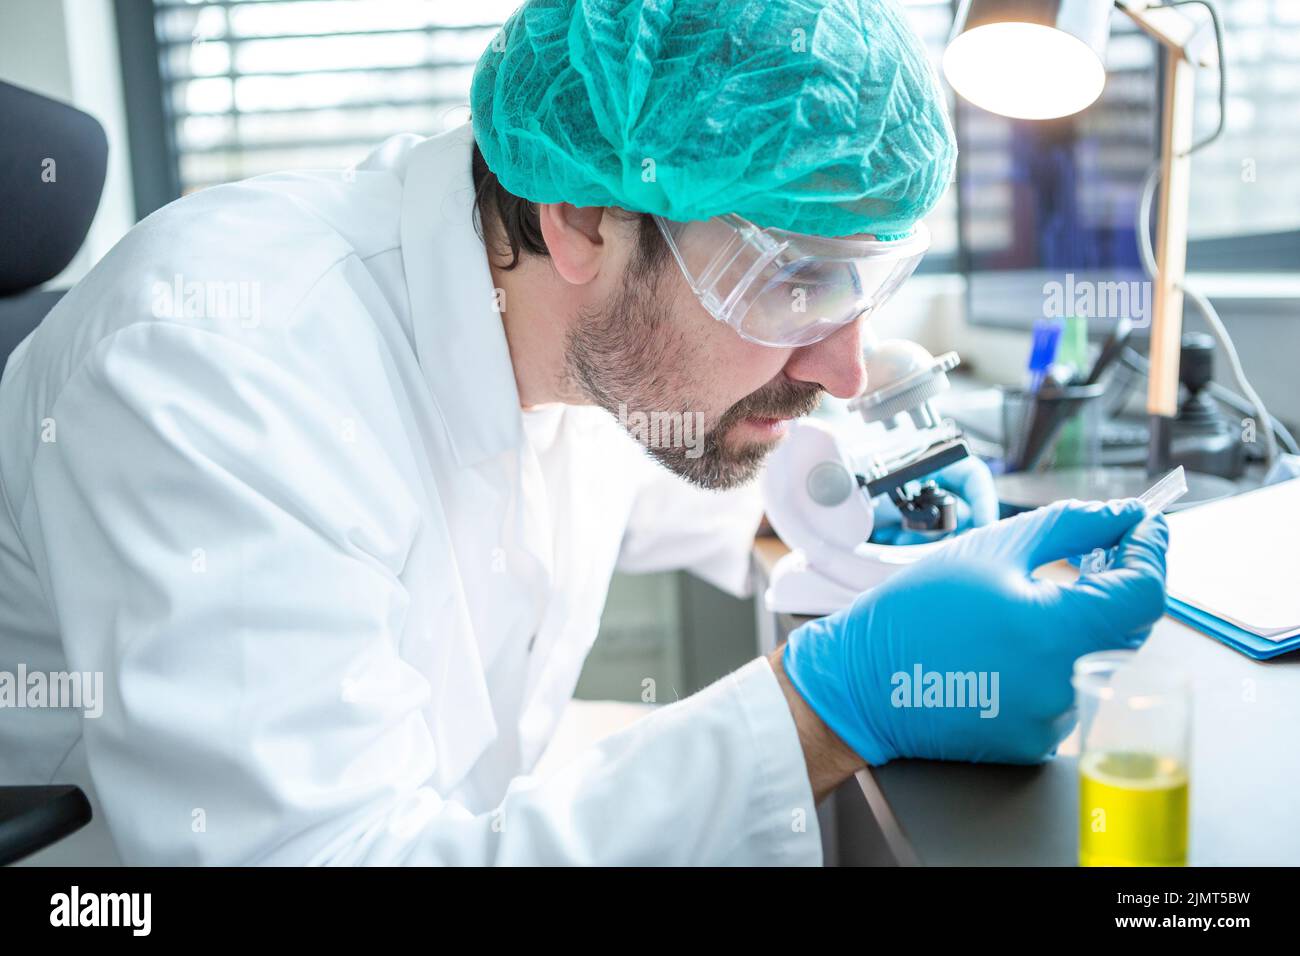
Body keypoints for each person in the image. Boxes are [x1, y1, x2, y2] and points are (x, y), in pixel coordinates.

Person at [0, 0, 1166, 865]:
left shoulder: (571, 321)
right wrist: (829, 700)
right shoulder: (216, 368)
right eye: (792, 281)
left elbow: (698, 479)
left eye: (860, 285)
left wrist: (871, 485)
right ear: (580, 220)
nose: (844, 362)